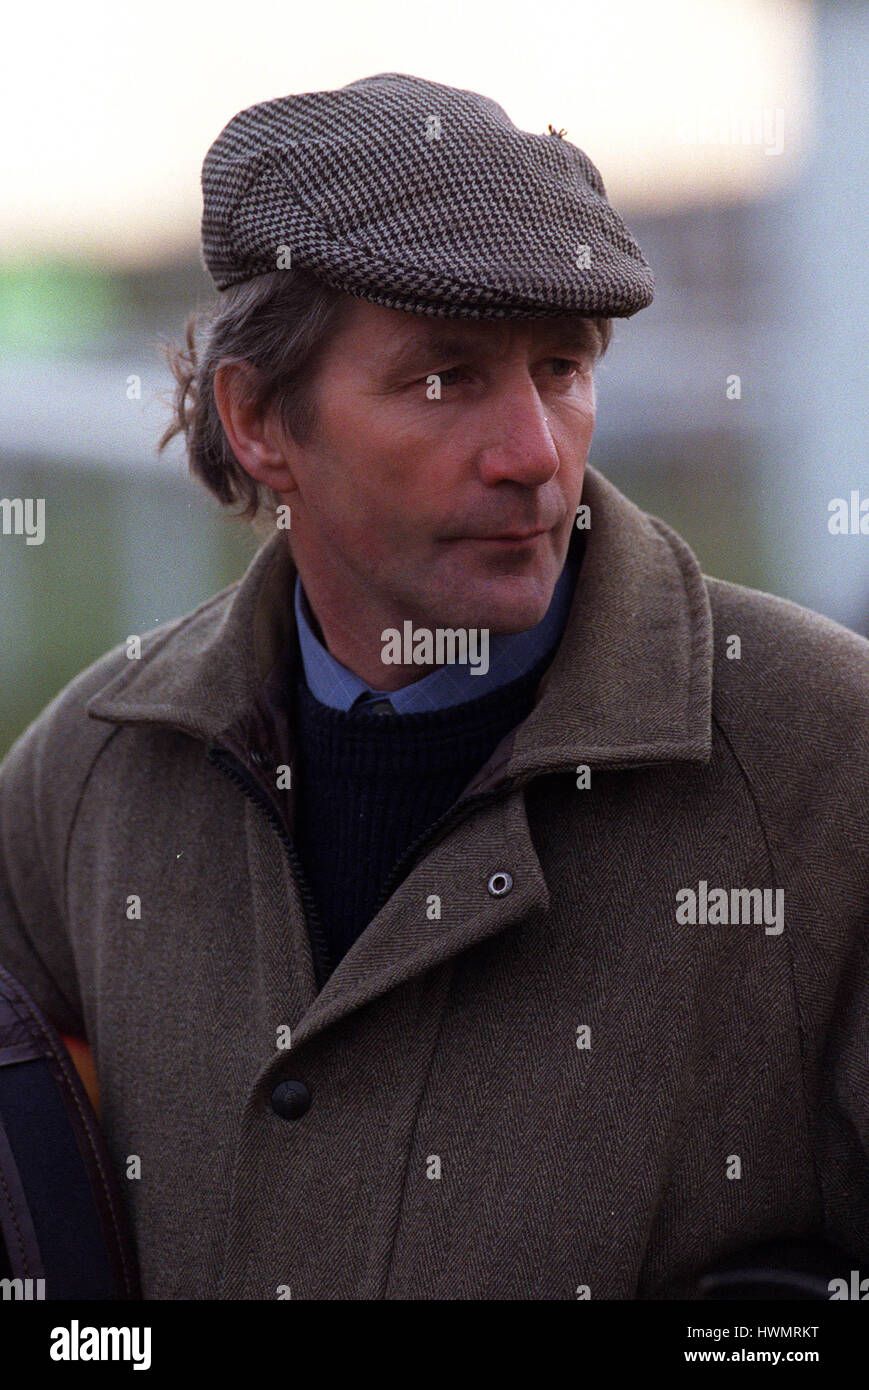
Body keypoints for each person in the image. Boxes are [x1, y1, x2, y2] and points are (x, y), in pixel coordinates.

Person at [1, 72, 867, 1301]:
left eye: (561, 368)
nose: (532, 455)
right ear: (258, 419)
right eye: (443, 378)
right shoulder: (90, 774)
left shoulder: (824, 755)